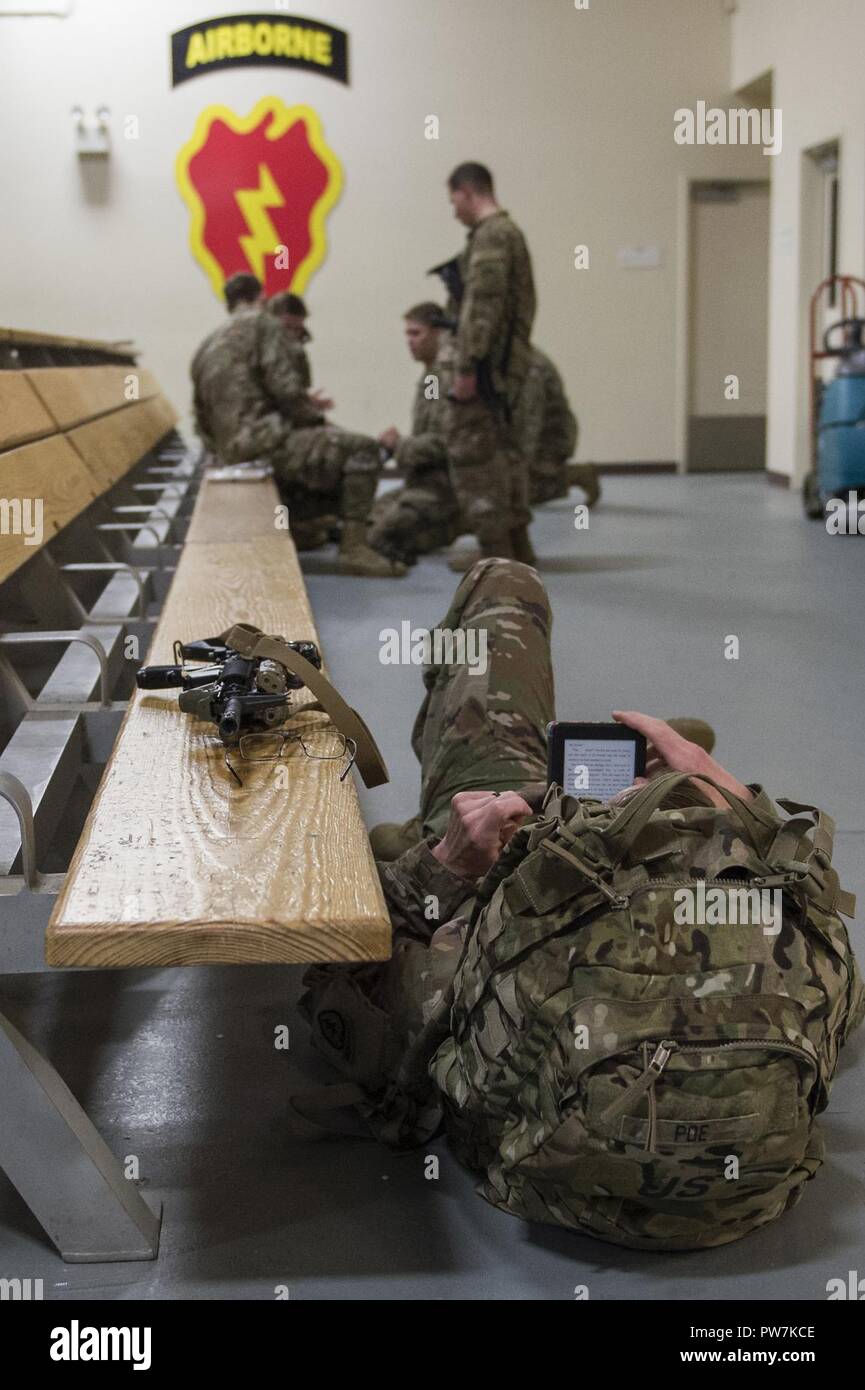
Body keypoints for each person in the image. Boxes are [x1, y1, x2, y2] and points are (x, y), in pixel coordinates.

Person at [300, 558, 729, 1111]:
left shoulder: (478, 1000)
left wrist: (446, 862)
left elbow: (337, 964)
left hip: (510, 861)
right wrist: (729, 806)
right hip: (628, 871)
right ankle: (620, 782)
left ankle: (431, 831)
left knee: (503, 582)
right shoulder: (765, 962)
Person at [190, 274, 405, 578]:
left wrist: (224, 454)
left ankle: (301, 527)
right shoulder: (263, 324)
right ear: (262, 298)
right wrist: (316, 418)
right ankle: (355, 549)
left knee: (321, 449)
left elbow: (200, 418)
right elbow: (287, 389)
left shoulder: (205, 346)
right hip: (266, 443)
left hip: (231, 454)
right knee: (362, 449)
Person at [434, 163, 537, 569]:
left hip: (485, 371)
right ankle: (518, 551)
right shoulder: (508, 233)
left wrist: (467, 367)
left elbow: (483, 306)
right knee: (505, 456)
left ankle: (496, 559)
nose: (453, 209)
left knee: (474, 460)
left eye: (453, 200)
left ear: (467, 192)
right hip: (502, 370)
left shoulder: (492, 236)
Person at [367, 302, 461, 566]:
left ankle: (452, 526)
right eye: (407, 334)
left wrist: (400, 445)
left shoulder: (448, 378)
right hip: (420, 483)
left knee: (378, 538)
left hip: (444, 489)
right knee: (361, 520)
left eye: (416, 333)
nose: (409, 341)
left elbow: (447, 443)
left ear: (439, 333)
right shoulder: (430, 377)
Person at [515, 346, 601, 507]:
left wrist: (518, 468)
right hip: (532, 434)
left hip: (549, 440)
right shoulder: (514, 356)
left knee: (511, 497)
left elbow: (531, 422)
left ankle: (577, 476)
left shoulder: (528, 366)